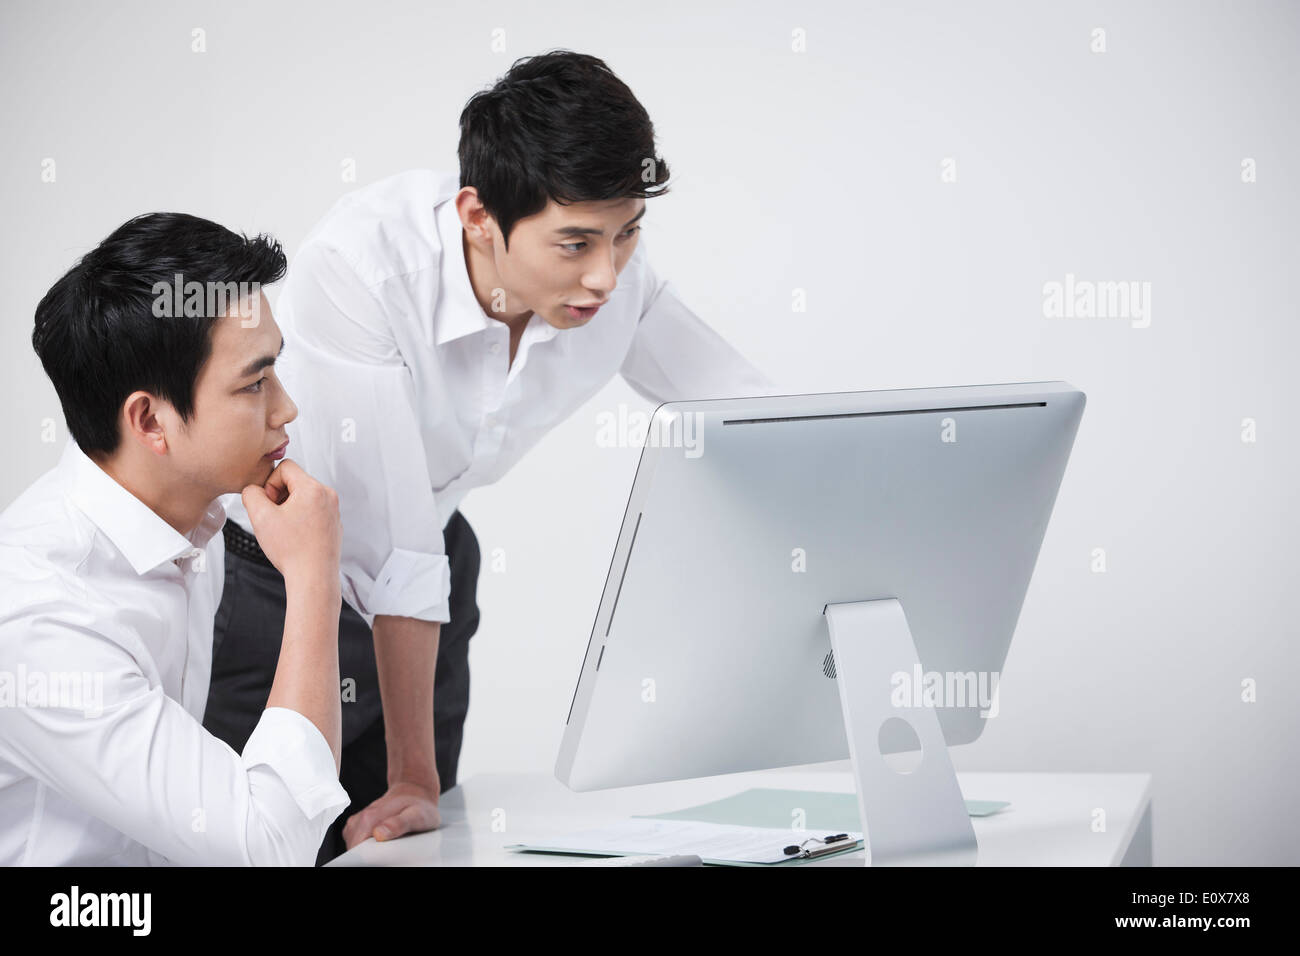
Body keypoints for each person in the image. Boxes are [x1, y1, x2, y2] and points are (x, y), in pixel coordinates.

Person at [203, 50, 779, 865]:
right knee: (259, 846)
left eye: (626, 235)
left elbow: (749, 415)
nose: (606, 275)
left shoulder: (615, 276)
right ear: (478, 214)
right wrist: (413, 775)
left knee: (406, 848)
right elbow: (388, 544)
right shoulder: (361, 266)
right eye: (575, 243)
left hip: (435, 568)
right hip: (280, 575)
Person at [0, 213, 350, 865]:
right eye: (255, 382)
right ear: (150, 420)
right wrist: (313, 579)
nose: (286, 408)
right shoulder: (44, 617)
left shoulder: (193, 518)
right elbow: (268, 849)